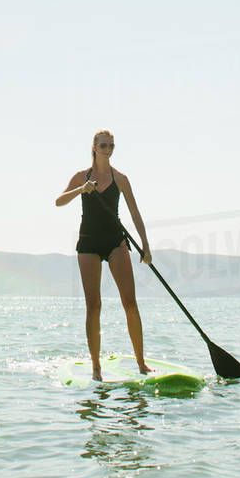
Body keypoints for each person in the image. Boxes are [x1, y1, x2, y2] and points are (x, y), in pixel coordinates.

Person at [56, 129, 152, 381]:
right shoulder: (81, 176)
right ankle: (96, 368)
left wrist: (145, 244)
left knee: (129, 302)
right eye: (104, 145)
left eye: (111, 145)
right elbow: (59, 201)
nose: (108, 149)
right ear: (94, 147)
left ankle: (141, 364)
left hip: (115, 241)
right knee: (93, 305)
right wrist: (81, 190)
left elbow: (134, 212)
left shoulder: (120, 178)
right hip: (88, 242)